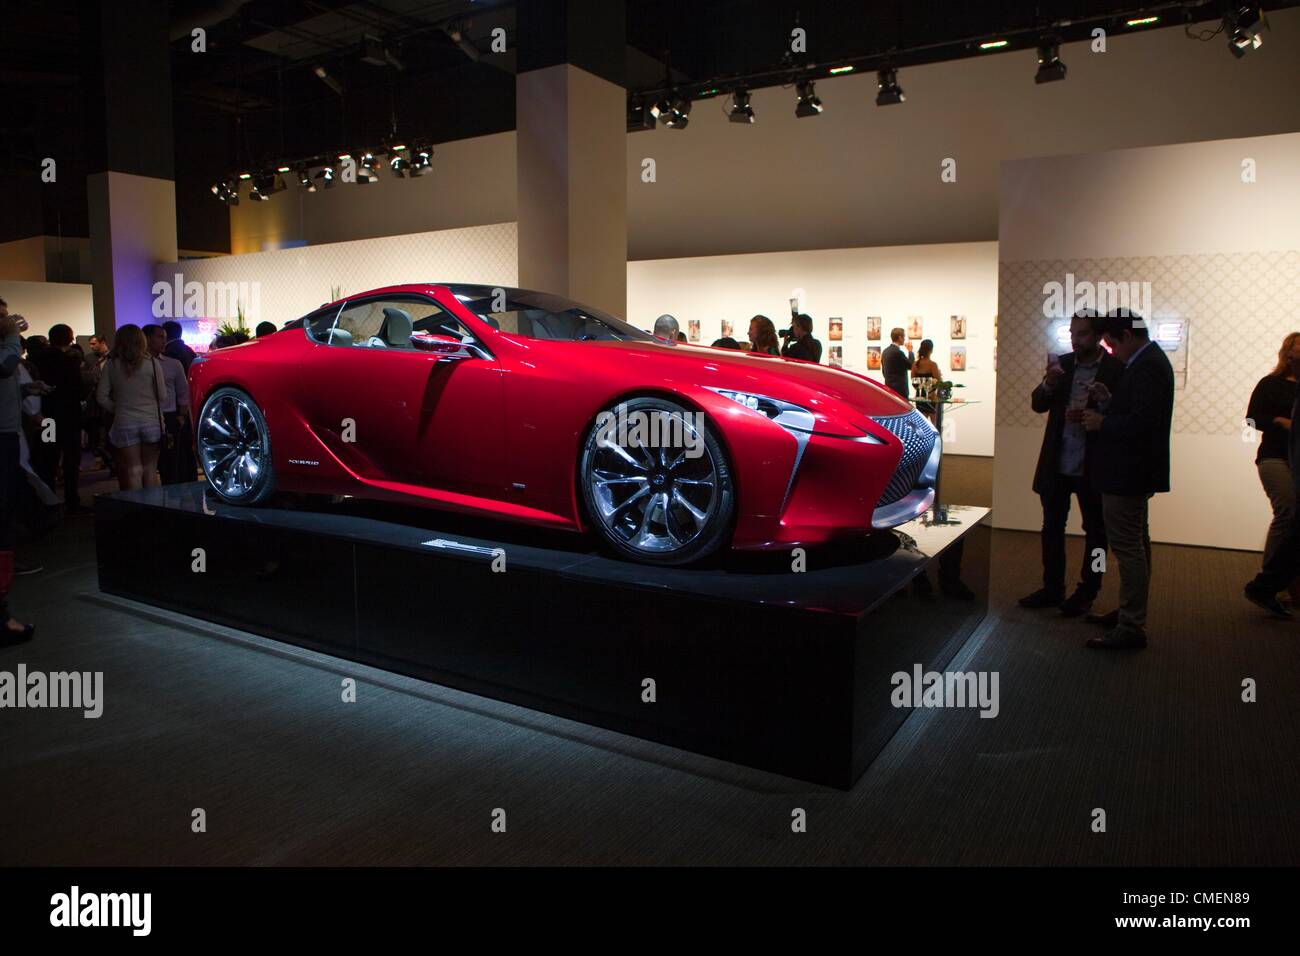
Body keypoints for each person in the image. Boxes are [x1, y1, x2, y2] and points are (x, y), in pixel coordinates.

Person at [1080, 309, 1175, 650]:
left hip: (1128, 471)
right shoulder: (1148, 361)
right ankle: (1128, 613)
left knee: (1128, 548)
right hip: (1134, 470)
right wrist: (1110, 399)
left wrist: (1102, 422)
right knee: (1136, 543)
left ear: (1126, 335)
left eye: (1110, 343)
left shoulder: (1147, 365)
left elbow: (1142, 423)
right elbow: (1137, 411)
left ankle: (1132, 624)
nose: (1110, 351)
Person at [1019, 311, 1124, 618]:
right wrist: (1049, 383)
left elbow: (1122, 414)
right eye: (1072, 334)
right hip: (1058, 462)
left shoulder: (1116, 369)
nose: (1075, 340)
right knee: (1051, 528)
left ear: (1098, 336)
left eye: (1083, 334)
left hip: (1095, 465)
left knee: (1097, 533)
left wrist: (1103, 407)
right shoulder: (1062, 365)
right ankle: (1052, 587)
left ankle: (1089, 590)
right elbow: (1038, 404)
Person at [1245, 333, 1300, 590]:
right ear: (1288, 354)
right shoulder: (1270, 384)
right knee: (1287, 511)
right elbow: (1251, 420)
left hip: (1296, 457)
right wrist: (1279, 421)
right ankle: (1270, 580)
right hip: (1275, 456)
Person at [0, 303, 36, 643]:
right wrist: (12, 337)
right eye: (1, 315)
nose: (8, 320)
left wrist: (26, 390)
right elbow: (5, 366)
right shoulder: (7, 348)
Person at [96, 324, 166, 491]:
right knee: (150, 468)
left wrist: (117, 407)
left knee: (133, 469)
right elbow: (162, 395)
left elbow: (101, 397)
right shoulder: (152, 364)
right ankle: (151, 508)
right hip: (151, 421)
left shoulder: (111, 365)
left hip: (124, 421)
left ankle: (136, 510)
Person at [32, 324, 89, 514]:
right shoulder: (69, 362)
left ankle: (48, 500)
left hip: (48, 416)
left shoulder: (38, 361)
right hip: (70, 417)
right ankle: (71, 499)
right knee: (71, 459)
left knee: (49, 456)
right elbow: (78, 389)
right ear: (70, 338)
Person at [144, 324, 192, 485]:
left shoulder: (173, 363)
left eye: (165, 336)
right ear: (147, 339)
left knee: (170, 461)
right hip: (145, 415)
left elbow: (183, 391)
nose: (164, 340)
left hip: (169, 416)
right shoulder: (136, 365)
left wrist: (181, 415)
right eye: (160, 337)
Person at [911, 339, 942, 422]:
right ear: (931, 350)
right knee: (932, 425)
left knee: (921, 424)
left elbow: (913, 381)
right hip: (931, 398)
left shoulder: (915, 364)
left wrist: (920, 390)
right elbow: (939, 382)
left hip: (919, 398)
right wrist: (930, 392)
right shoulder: (932, 365)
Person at [881, 327, 913, 398]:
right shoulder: (898, 352)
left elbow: (884, 372)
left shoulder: (885, 351)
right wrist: (910, 351)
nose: (904, 339)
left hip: (889, 389)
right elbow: (911, 366)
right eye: (904, 336)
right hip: (900, 391)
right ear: (900, 337)